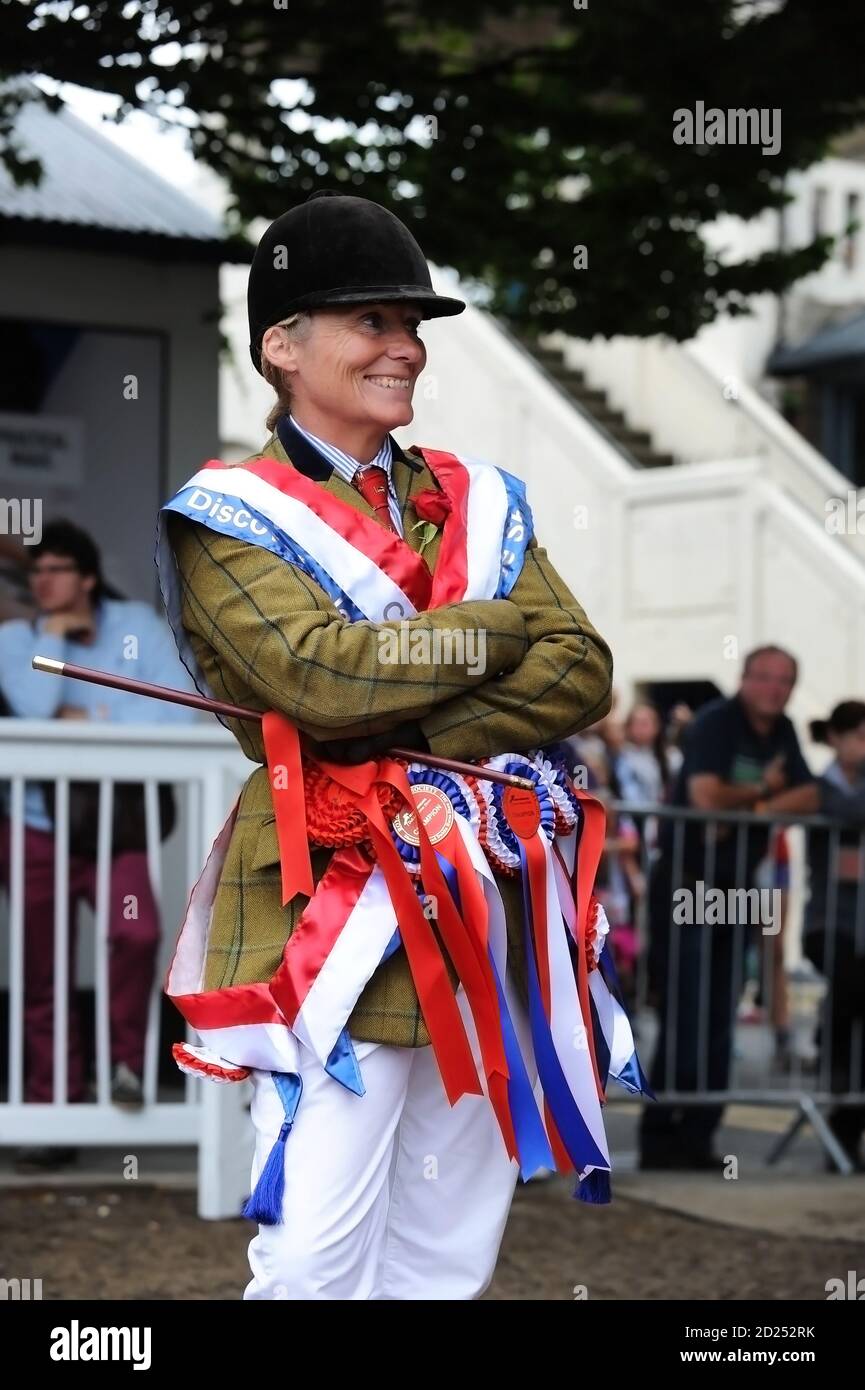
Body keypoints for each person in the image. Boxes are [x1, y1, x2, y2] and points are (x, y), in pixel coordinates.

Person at [158, 190, 620, 1300]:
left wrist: (417, 721)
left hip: (483, 902)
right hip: (331, 910)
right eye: (371, 321)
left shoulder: (475, 498)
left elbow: (585, 670)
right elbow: (317, 679)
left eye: (412, 327)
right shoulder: (226, 512)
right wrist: (498, 629)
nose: (405, 348)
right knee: (315, 1249)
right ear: (283, 345)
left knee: (447, 1249)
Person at [0, 520, 197, 1170]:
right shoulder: (14, 639)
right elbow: (32, 711)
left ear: (86, 577)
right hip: (35, 826)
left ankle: (127, 1066)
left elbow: (178, 708)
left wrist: (96, 717)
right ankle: (53, 1102)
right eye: (37, 572)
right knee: (40, 968)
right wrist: (52, 641)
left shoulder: (133, 623)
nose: (44, 581)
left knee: (136, 935)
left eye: (57, 569)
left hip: (120, 826)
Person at [639, 646, 814, 1170]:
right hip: (688, 883)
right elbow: (705, 797)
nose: (774, 689)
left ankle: (699, 1138)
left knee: (722, 1013)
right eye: (765, 678)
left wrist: (757, 806)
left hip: (737, 887)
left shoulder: (784, 731)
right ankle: (661, 1136)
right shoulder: (717, 723)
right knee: (685, 1011)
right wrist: (764, 789)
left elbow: (810, 796)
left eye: (784, 680)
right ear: (745, 678)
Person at [791, 702, 865, 1169]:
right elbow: (835, 806)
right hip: (830, 923)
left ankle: (847, 1125)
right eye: (858, 735)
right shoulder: (821, 786)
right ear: (836, 738)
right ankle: (830, 1056)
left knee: (857, 1010)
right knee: (851, 985)